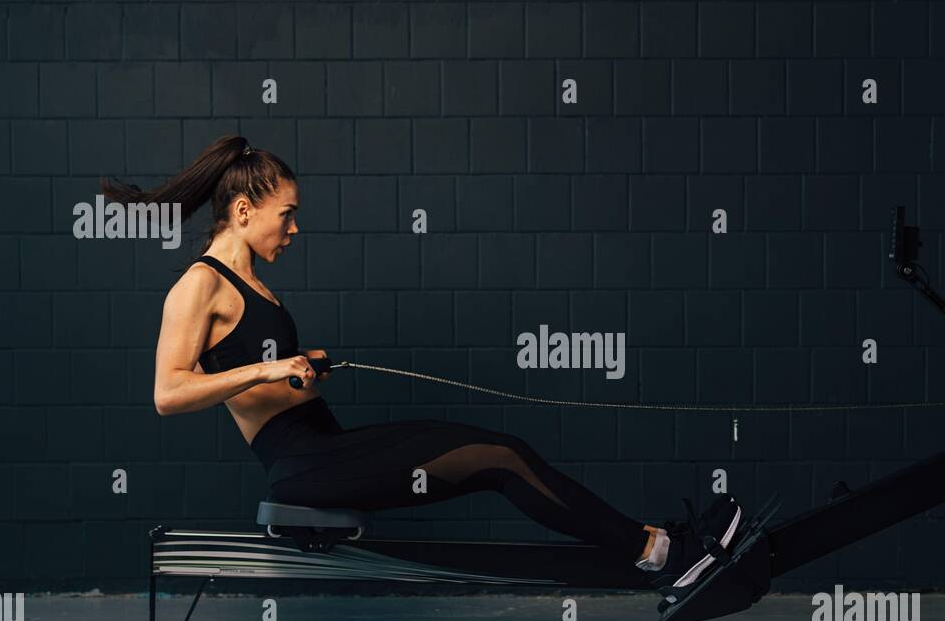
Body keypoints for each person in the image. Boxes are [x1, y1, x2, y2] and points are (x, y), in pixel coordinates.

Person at [104, 134, 740, 596]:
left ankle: (655, 542)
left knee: (498, 450)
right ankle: (660, 553)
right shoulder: (199, 283)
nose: (294, 230)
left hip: (330, 447)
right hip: (304, 469)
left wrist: (302, 367)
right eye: (286, 215)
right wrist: (268, 372)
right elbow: (168, 393)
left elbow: (256, 369)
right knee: (501, 458)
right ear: (244, 212)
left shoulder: (254, 284)